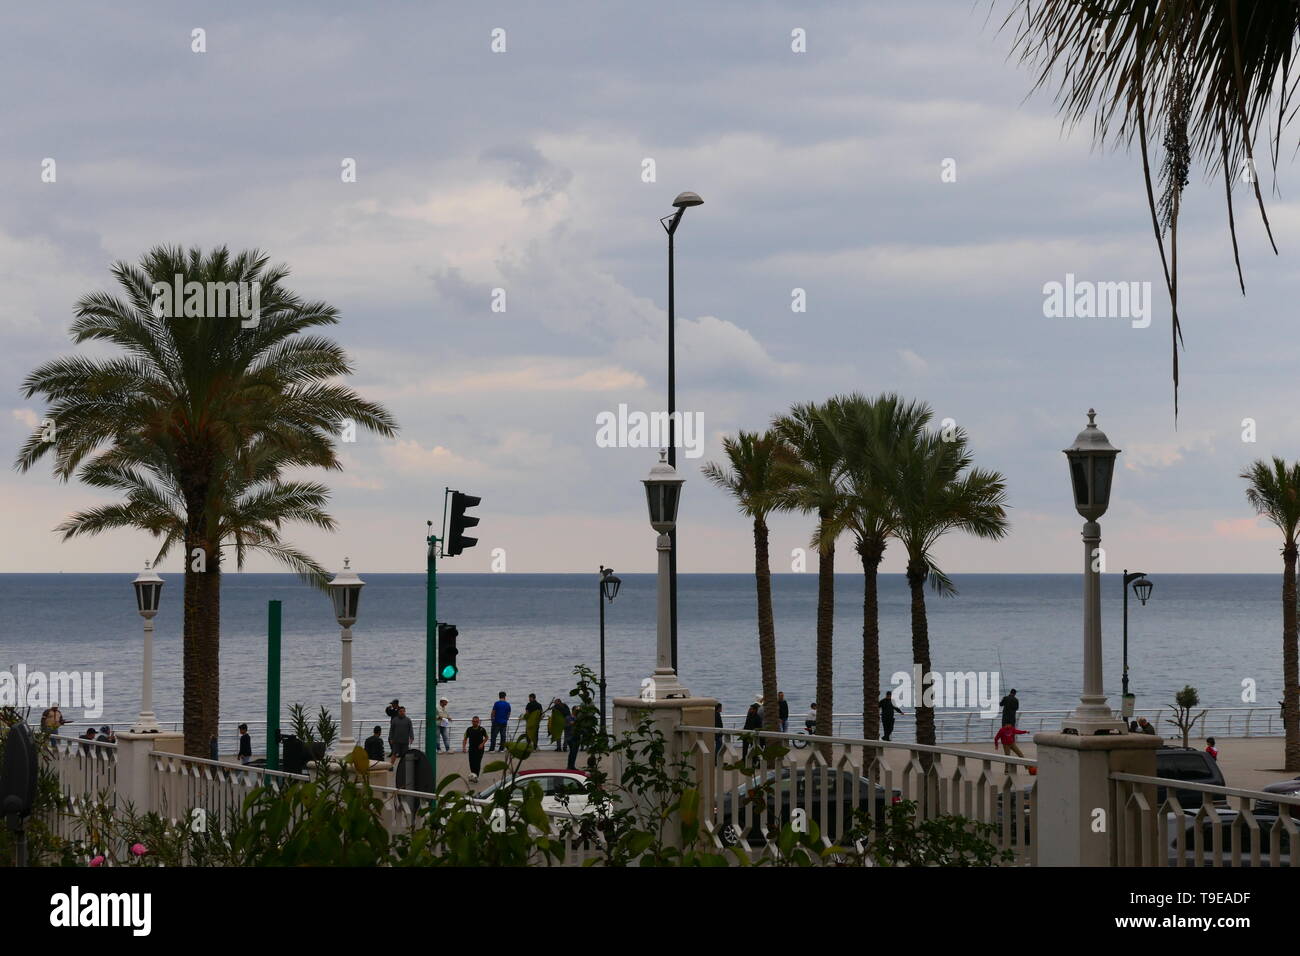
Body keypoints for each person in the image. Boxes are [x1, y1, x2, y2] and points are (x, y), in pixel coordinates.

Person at [462, 716, 488, 783]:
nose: (475, 723)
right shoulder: (469, 729)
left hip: (479, 749)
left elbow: (487, 737)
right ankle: (473, 775)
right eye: (473, 721)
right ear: (472, 721)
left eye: (476, 721)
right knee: (471, 763)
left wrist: (482, 744)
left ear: (478, 722)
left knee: (477, 763)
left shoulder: (482, 729)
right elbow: (465, 739)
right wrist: (464, 747)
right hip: (471, 749)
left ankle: (476, 777)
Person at [566, 705, 583, 771]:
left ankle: (572, 765)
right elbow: (569, 724)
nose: (577, 712)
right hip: (570, 737)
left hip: (577, 736)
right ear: (573, 711)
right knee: (572, 752)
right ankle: (569, 766)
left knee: (575, 752)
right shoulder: (568, 717)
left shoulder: (578, 718)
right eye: (576, 711)